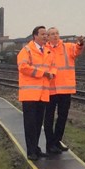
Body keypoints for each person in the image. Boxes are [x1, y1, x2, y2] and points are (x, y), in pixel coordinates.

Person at [42, 27, 85, 154]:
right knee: (49, 118)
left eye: (57, 33)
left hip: (65, 89)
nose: (55, 36)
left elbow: (77, 50)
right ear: (48, 37)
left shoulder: (67, 47)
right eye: (52, 34)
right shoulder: (44, 49)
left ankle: (57, 141)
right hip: (50, 89)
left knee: (62, 117)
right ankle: (50, 144)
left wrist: (80, 43)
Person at [17, 25, 53, 160]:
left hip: (42, 94)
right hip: (29, 94)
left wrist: (52, 73)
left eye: (46, 34)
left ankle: (36, 148)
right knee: (30, 124)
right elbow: (23, 67)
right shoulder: (26, 50)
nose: (45, 37)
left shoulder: (47, 51)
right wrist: (42, 73)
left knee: (38, 124)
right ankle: (31, 151)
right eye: (42, 34)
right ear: (35, 36)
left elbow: (52, 67)